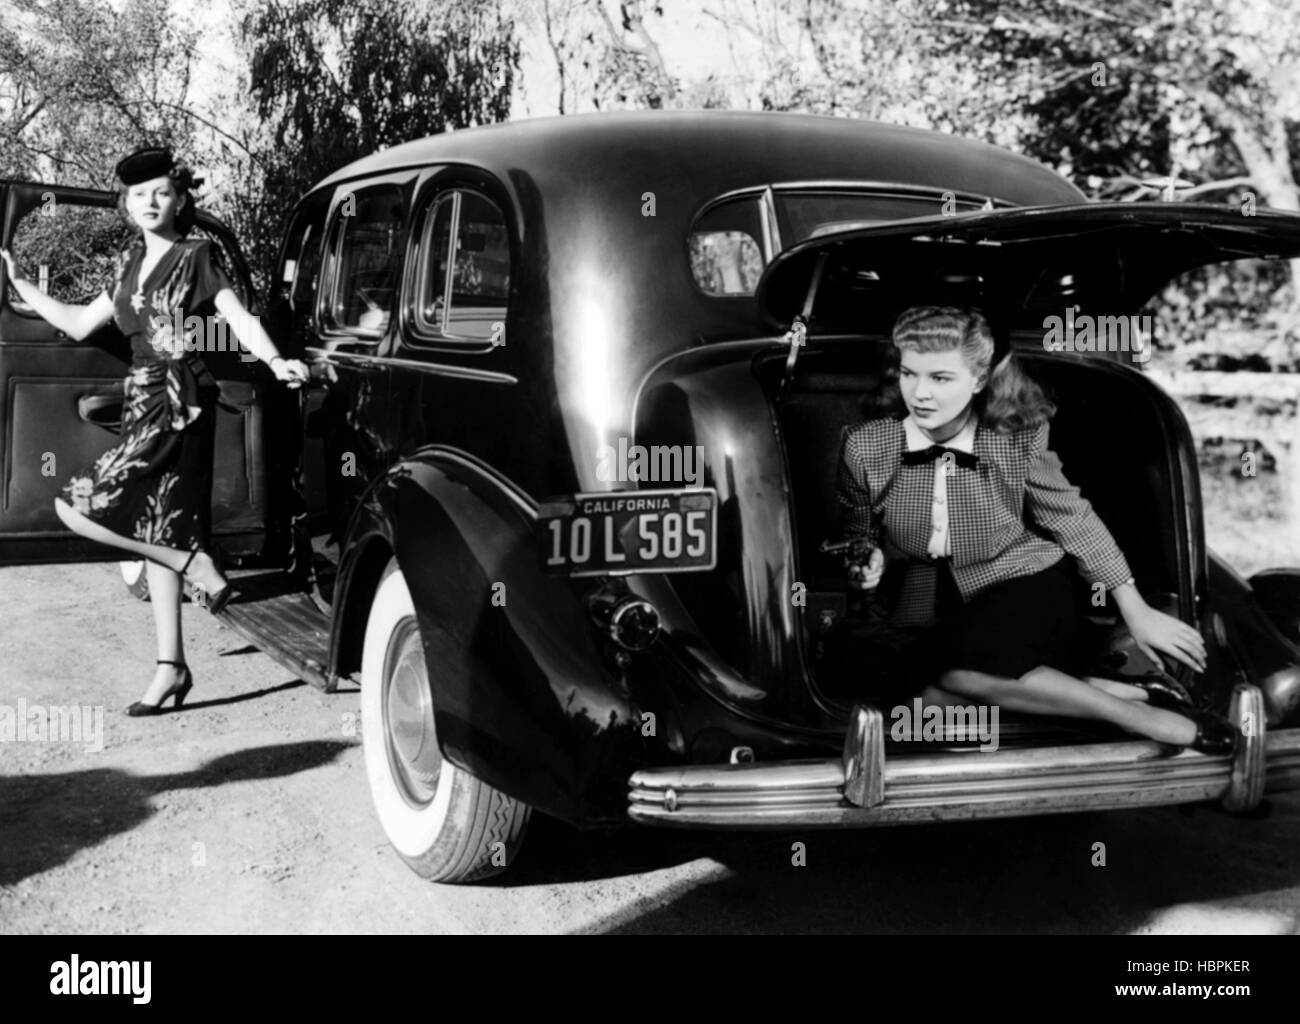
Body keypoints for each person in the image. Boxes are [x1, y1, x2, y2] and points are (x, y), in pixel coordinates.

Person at [835, 305, 1236, 753]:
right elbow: (858, 525)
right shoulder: (867, 443)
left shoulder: (1016, 436)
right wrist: (865, 555)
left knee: (958, 675)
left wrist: (1134, 608)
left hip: (1023, 583)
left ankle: (1143, 717)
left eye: (941, 379)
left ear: (980, 380)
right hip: (928, 600)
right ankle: (1122, 692)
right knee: (924, 706)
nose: (920, 394)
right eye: (911, 374)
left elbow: (1070, 516)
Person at [1, 146, 309, 716]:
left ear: (180, 200)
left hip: (182, 405)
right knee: (161, 528)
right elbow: (76, 322)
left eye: (162, 192)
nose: (150, 202)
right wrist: (23, 287)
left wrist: (273, 362)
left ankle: (193, 566)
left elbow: (236, 318)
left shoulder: (197, 255)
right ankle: (171, 665)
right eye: (139, 194)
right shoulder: (125, 265)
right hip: (142, 400)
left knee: (75, 507)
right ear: (125, 204)